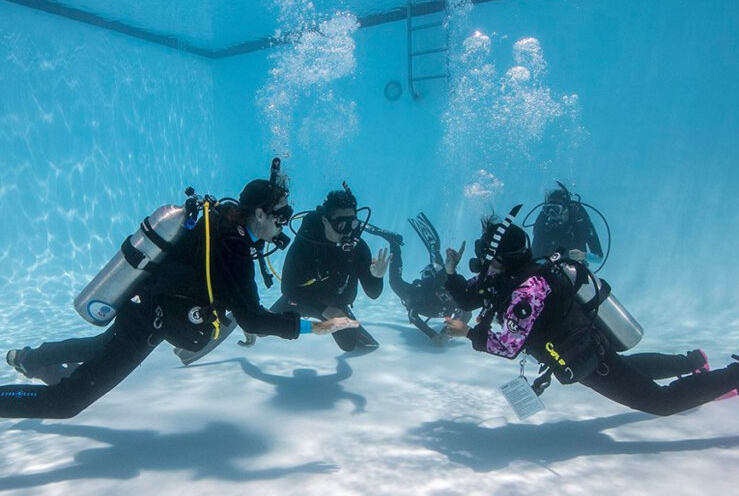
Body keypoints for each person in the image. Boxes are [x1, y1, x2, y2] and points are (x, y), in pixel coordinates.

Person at [2, 176, 357, 419]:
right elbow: (253, 319)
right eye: (280, 214)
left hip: (144, 305)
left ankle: (30, 359)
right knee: (66, 403)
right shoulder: (233, 246)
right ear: (260, 214)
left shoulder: (222, 222)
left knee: (99, 348)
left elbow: (231, 298)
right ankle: (31, 365)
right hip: (148, 321)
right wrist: (320, 327)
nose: (285, 221)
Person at [442, 208, 739, 416]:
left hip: (586, 358)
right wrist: (451, 272)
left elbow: (508, 346)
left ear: (505, 259)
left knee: (661, 403)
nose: (484, 267)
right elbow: (475, 296)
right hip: (587, 346)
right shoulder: (510, 278)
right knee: (622, 367)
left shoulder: (527, 289)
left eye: (489, 259)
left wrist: (469, 333)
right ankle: (694, 362)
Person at [270, 186, 390, 352]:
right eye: (341, 225)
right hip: (301, 298)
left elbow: (373, 293)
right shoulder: (306, 244)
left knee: (349, 345)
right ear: (325, 220)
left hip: (335, 302)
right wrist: (324, 310)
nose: (348, 232)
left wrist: (377, 276)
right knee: (263, 329)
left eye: (353, 224)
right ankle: (246, 314)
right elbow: (288, 287)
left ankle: (350, 325)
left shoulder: (358, 248)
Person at [366, 212, 470, 345]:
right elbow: (413, 316)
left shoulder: (449, 286)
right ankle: (394, 244)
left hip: (435, 288)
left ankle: (429, 247)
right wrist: (432, 334)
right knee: (395, 282)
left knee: (440, 273)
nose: (445, 294)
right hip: (419, 295)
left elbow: (467, 311)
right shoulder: (419, 295)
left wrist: (446, 332)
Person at [531, 184, 604, 265]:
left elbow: (599, 258)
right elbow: (533, 256)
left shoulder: (581, 224)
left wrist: (584, 255)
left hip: (572, 270)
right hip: (544, 269)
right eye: (548, 209)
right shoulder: (545, 227)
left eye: (556, 209)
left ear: (566, 209)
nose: (552, 214)